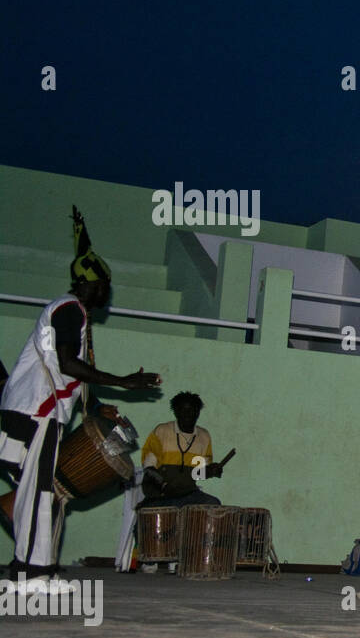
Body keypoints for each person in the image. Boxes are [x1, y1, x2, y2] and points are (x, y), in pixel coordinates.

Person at [0, 206, 161, 594]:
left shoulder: (73, 314)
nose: (108, 290)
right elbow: (68, 364)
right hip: (33, 414)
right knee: (40, 493)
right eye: (105, 282)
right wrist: (124, 382)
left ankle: (32, 571)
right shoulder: (69, 309)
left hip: (34, 414)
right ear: (92, 283)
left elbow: (68, 371)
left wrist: (93, 407)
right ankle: (32, 576)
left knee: (42, 494)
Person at [139, 391, 224, 507]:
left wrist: (210, 471)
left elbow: (197, 474)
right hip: (160, 495)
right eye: (183, 410)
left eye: (192, 410)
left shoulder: (204, 436)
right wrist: (163, 486)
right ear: (176, 411)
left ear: (198, 412)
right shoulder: (161, 431)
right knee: (155, 516)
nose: (188, 414)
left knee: (213, 504)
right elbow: (148, 468)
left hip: (188, 495)